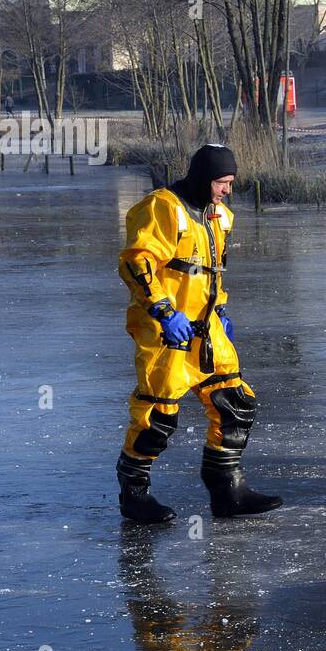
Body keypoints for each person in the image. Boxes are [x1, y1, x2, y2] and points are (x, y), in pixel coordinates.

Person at [114, 143, 282, 523]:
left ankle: (227, 488)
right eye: (222, 182)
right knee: (157, 417)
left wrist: (219, 308)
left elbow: (211, 269)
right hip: (167, 332)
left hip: (206, 329)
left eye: (231, 183)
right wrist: (163, 310)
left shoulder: (219, 216)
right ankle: (134, 493)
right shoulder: (162, 208)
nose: (227, 190)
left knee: (236, 403)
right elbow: (136, 262)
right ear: (204, 178)